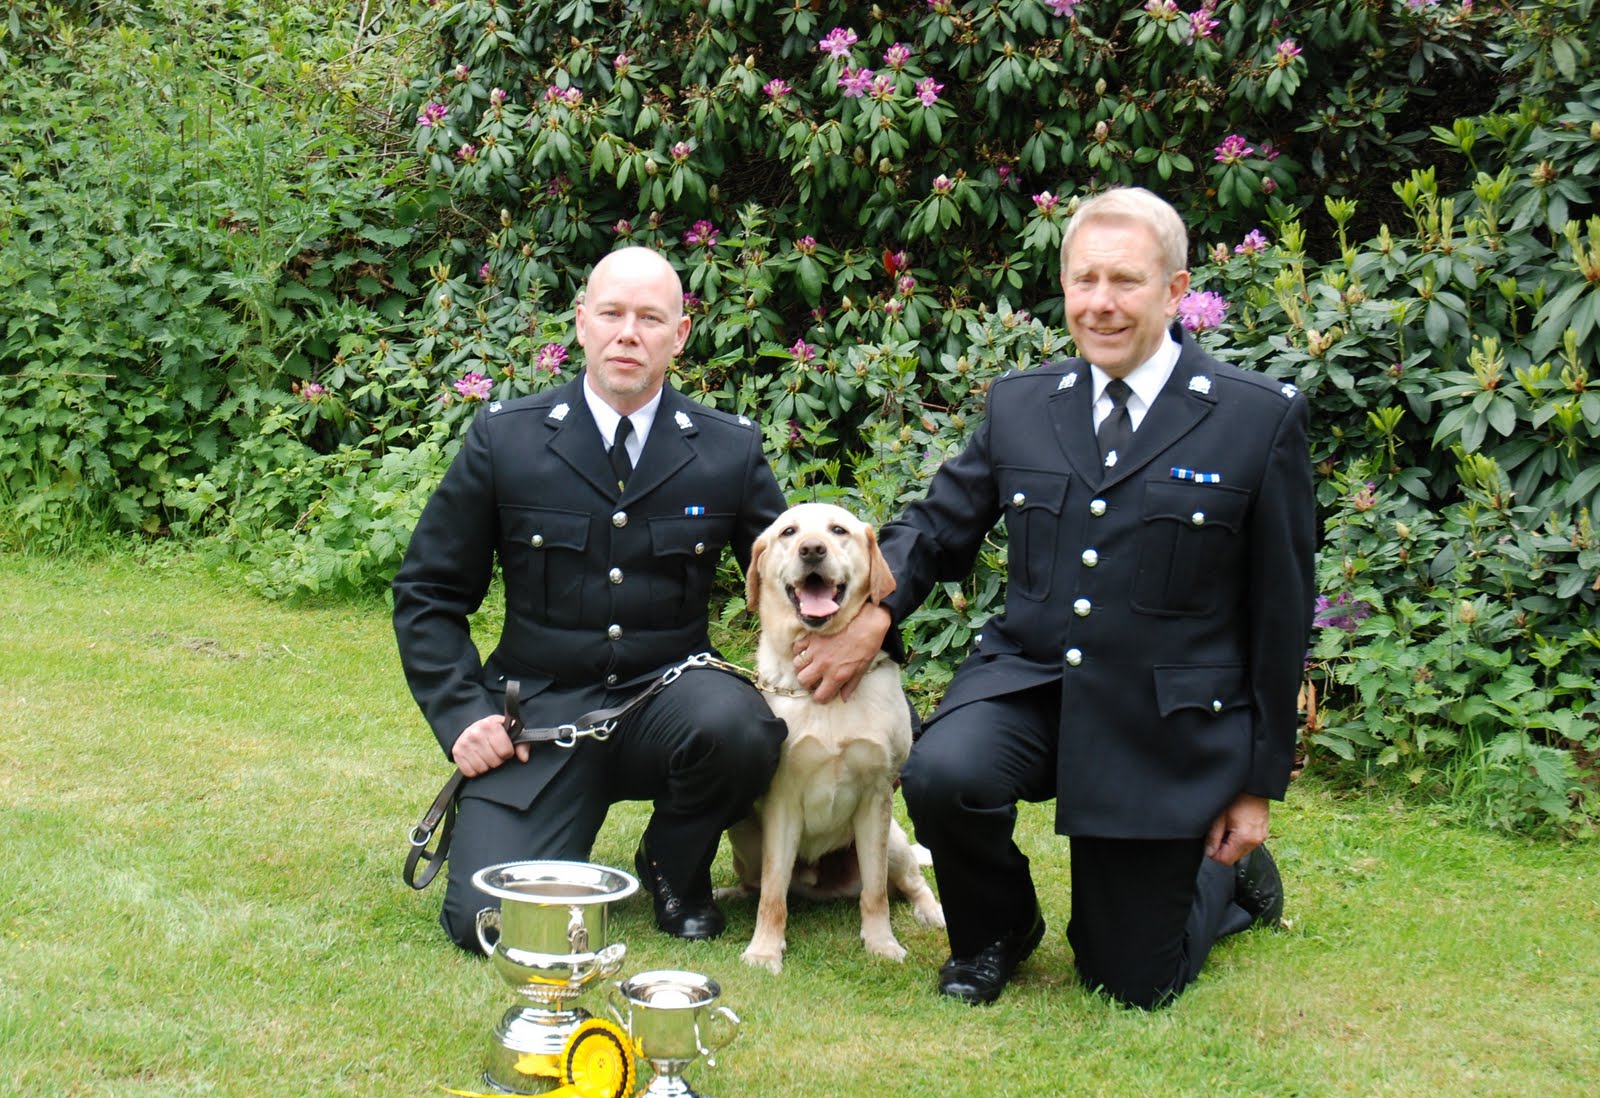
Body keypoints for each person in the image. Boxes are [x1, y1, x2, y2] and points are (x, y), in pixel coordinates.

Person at [799, 188, 1315, 1009]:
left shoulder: (1255, 422)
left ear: (1177, 292)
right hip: (1032, 678)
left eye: (1125, 282)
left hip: (1161, 718)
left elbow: (1282, 614)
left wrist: (1255, 788)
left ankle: (1231, 878)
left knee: (1130, 981)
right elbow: (936, 527)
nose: (1100, 304)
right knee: (943, 772)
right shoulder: (1024, 404)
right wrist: (874, 615)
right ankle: (996, 930)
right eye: (1083, 281)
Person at [392, 246, 788, 952]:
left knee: (744, 728)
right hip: (538, 717)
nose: (627, 333)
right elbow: (428, 592)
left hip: (671, 704)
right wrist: (463, 713)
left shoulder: (729, 450)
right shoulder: (504, 440)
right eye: (611, 314)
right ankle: (542, 839)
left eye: (649, 318)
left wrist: (854, 638)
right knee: (489, 926)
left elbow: (793, 579)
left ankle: (673, 865)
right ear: (581, 324)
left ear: (680, 335)